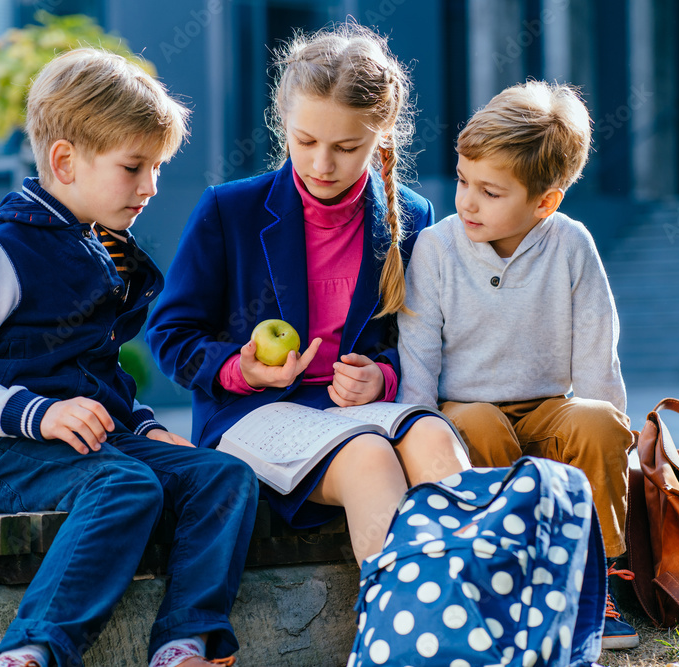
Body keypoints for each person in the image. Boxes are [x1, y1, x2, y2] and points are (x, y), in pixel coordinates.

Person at [0, 48, 257, 667]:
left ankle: (184, 641)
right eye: (133, 167)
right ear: (65, 160)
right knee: (127, 485)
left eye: (155, 168)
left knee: (221, 475)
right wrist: (38, 414)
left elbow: (97, 370)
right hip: (4, 451)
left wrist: (146, 426)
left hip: (96, 444)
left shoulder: (103, 248)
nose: (150, 187)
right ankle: (33, 648)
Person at [146, 23, 469, 566]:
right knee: (370, 459)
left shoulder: (411, 216)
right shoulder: (230, 210)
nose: (323, 165)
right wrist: (239, 370)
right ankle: (399, 639)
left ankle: (467, 622)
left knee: (438, 442)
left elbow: (421, 337)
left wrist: (384, 376)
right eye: (306, 142)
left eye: (347, 147)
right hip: (253, 415)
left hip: (360, 412)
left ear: (381, 135)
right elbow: (170, 334)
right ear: (284, 126)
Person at [396, 80, 639, 651]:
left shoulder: (572, 244)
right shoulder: (435, 248)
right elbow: (418, 354)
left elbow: (598, 353)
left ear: (544, 202)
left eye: (491, 191)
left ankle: (593, 582)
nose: (468, 202)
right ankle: (512, 576)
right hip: (467, 408)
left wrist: (617, 435)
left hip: (549, 408)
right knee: (476, 424)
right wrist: (412, 427)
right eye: (462, 180)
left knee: (598, 421)